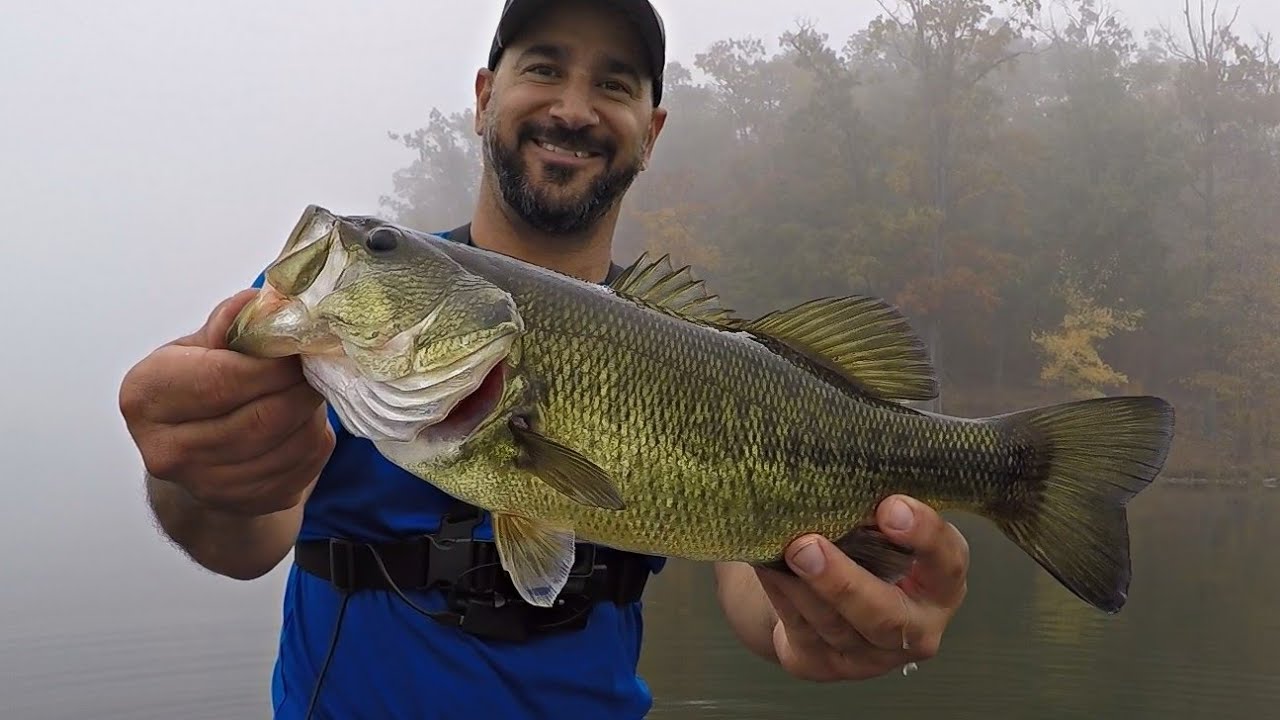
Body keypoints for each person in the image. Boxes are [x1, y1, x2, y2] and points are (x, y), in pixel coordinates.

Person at [118, 0, 972, 717]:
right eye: (543, 67)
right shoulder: (353, 306)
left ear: (652, 129)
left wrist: (815, 626)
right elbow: (238, 540)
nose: (574, 106)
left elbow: (750, 574)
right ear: (485, 94)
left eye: (613, 83)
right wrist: (195, 477)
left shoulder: (705, 356)